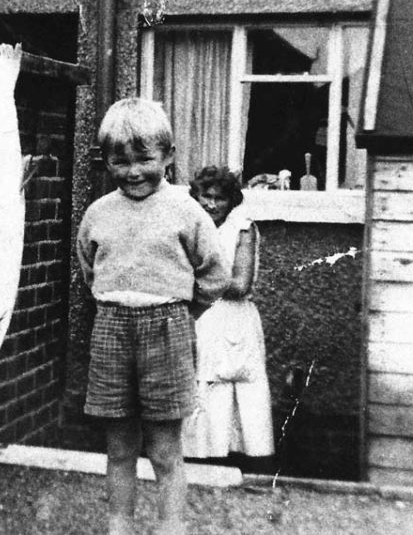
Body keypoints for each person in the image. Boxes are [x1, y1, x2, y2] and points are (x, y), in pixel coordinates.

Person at [77, 98, 230, 535]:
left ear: (168, 156)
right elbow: (89, 270)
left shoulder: (185, 211)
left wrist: (183, 312)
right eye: (119, 161)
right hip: (111, 330)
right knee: (120, 446)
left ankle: (171, 528)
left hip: (167, 330)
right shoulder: (98, 213)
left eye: (144, 159)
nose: (133, 171)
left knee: (164, 448)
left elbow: (215, 274)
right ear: (107, 162)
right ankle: (118, 526)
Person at [182, 166, 275, 468]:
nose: (211, 204)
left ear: (231, 200)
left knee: (234, 380)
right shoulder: (191, 226)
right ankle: (199, 453)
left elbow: (239, 284)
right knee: (202, 382)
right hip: (200, 317)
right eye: (204, 197)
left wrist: (193, 283)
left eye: (218, 198)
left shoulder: (243, 229)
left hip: (232, 318)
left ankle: (240, 457)